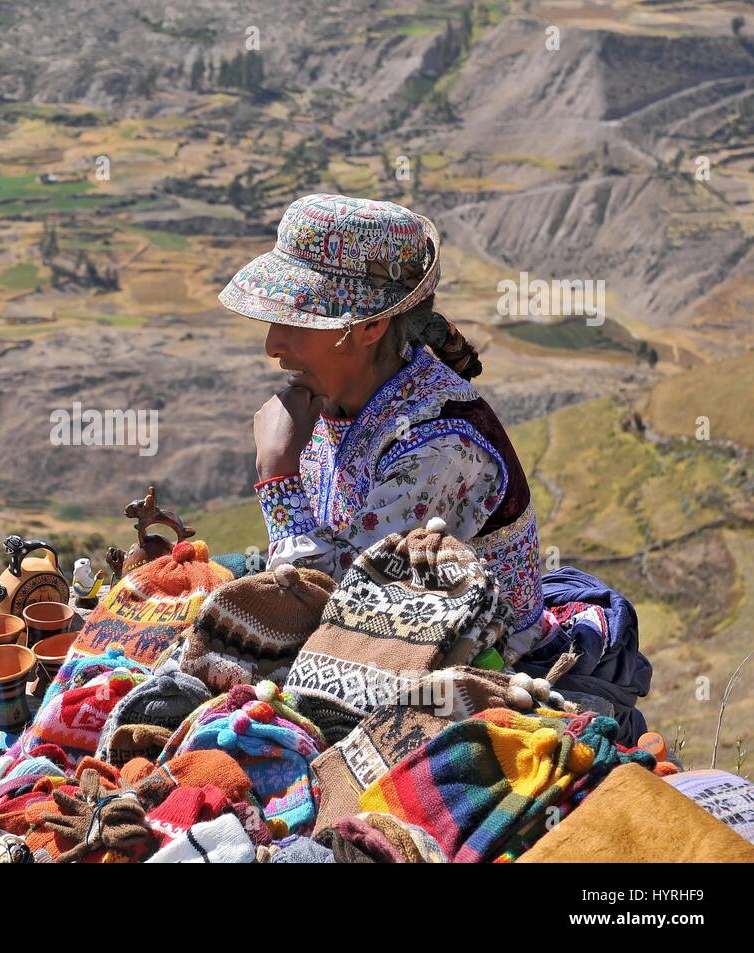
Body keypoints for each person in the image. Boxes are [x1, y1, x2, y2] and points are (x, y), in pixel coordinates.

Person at [219, 193, 543, 658]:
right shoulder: (338, 401)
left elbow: (334, 614)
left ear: (370, 327)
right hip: (384, 627)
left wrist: (279, 476)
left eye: (298, 321)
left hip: (462, 655)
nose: (273, 344)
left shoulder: (440, 446)